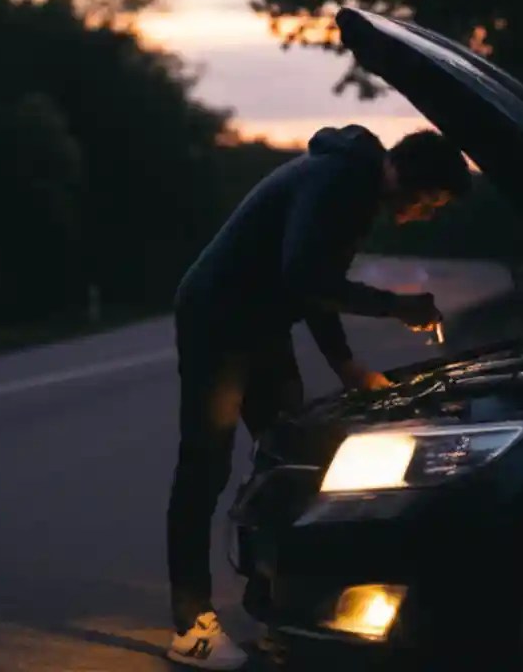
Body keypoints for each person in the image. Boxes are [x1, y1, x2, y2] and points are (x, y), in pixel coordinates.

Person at [165, 125, 473, 669]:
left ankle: (286, 613)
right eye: (433, 202)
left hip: (262, 322)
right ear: (414, 180)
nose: (428, 214)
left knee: (296, 452)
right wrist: (396, 307)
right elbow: (305, 274)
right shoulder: (342, 181)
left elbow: (314, 282)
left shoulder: (353, 183)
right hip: (217, 314)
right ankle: (191, 627)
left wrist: (348, 365)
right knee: (205, 463)